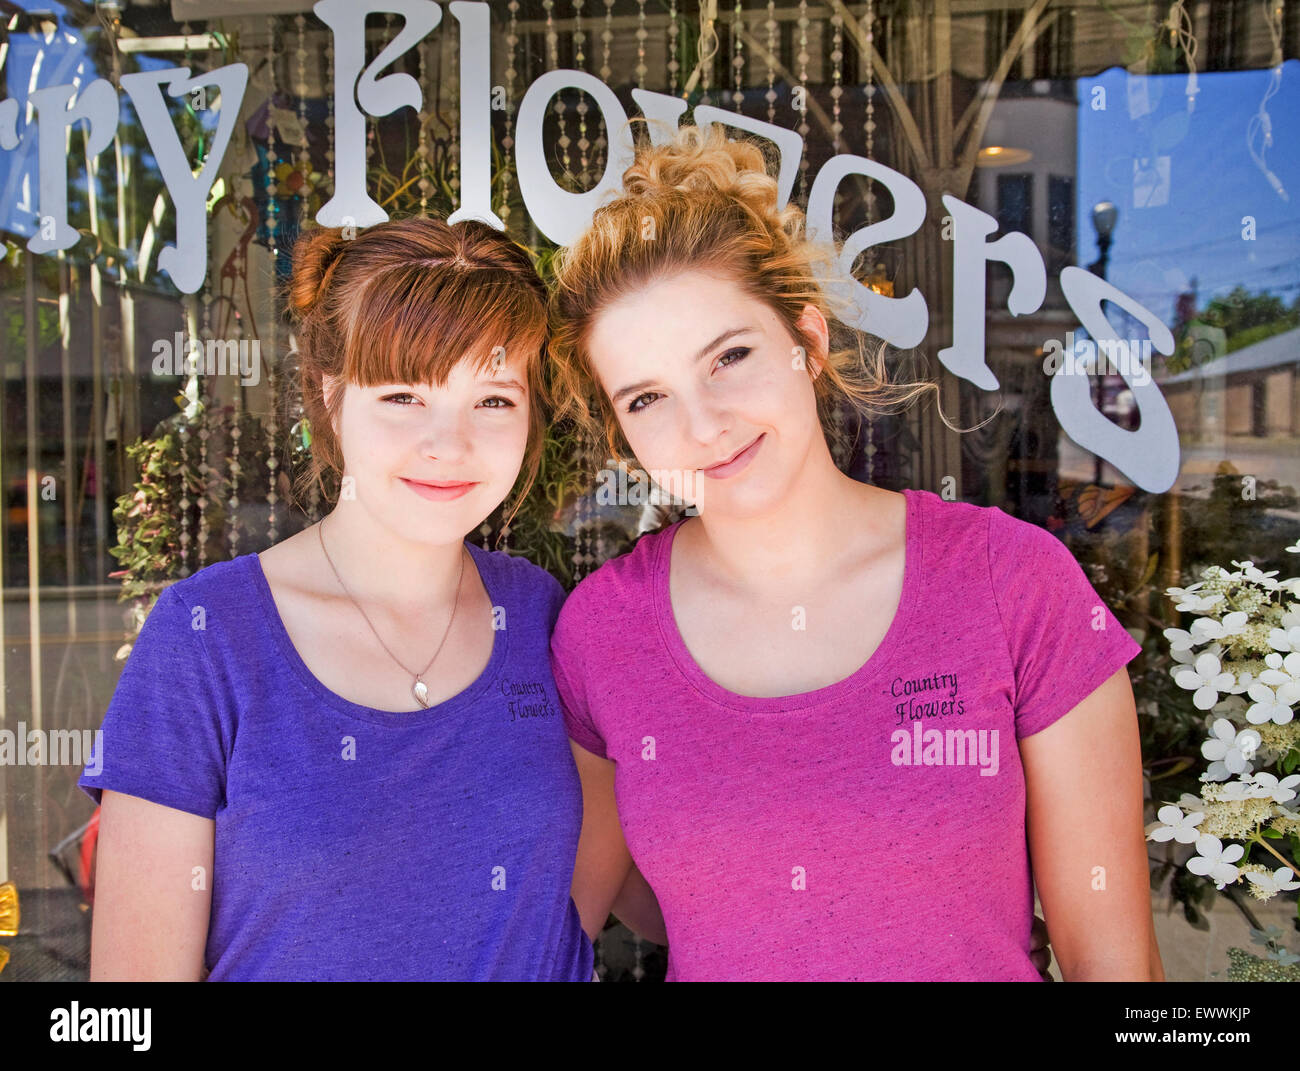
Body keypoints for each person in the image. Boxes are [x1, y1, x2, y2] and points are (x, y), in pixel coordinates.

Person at [545, 123, 1164, 981]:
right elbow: (628, 909)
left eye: (730, 356)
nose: (704, 423)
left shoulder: (1011, 584)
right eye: (647, 397)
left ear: (808, 339)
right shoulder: (602, 632)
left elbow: (1119, 974)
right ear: (623, 433)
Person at [78, 217, 593, 981]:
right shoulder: (208, 637)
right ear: (330, 391)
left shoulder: (539, 615)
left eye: (492, 399)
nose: (448, 443)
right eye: (402, 395)